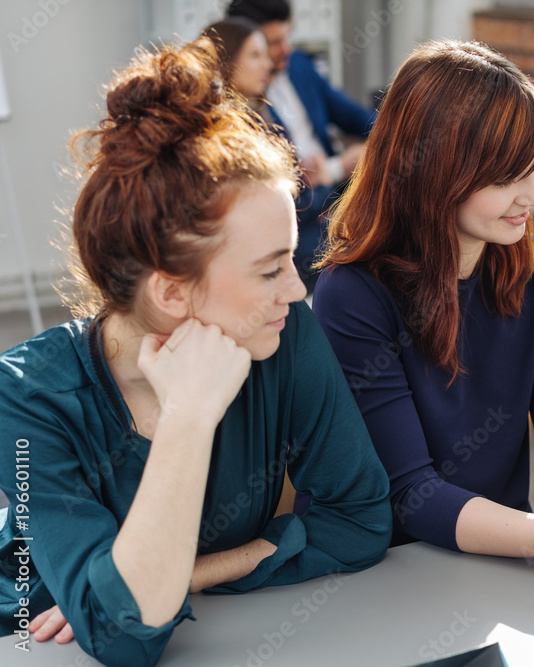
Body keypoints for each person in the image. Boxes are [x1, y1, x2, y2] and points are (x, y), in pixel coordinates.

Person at [0, 40, 391, 667]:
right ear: (173, 291)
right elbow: (124, 636)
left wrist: (192, 573)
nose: (297, 289)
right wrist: (187, 417)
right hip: (31, 637)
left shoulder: (280, 331)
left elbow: (363, 521)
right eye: (269, 271)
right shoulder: (25, 396)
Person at [312, 40, 534, 592]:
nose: (533, 194)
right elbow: (412, 494)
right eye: (507, 176)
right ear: (435, 170)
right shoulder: (354, 293)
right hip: (385, 578)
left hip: (499, 565)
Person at [227, 0, 376, 290]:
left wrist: (397, 133)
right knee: (377, 236)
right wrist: (338, 168)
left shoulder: (299, 66)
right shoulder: (244, 113)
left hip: (334, 192)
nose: (286, 50)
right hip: (301, 218)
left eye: (286, 37)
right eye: (272, 43)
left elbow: (353, 115)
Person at [202, 16, 275, 122]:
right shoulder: (212, 126)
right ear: (224, 61)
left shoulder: (260, 111)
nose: (268, 65)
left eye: (266, 55)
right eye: (255, 55)